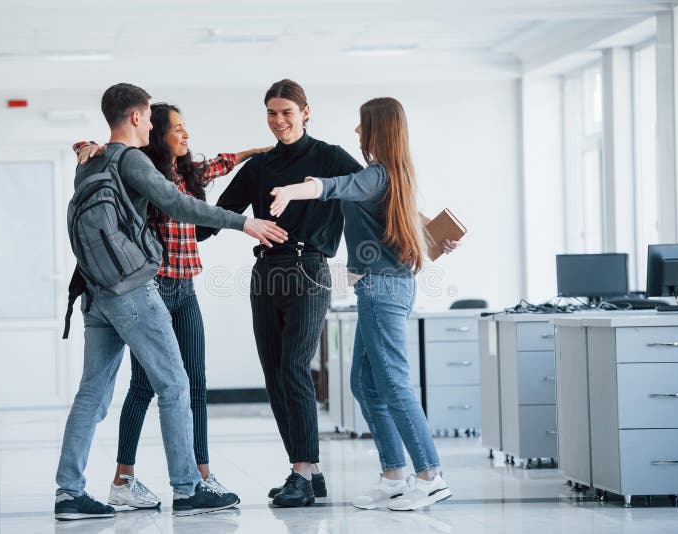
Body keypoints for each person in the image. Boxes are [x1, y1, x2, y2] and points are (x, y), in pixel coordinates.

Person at [54, 83, 288, 520]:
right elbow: (178, 204)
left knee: (92, 393)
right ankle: (187, 488)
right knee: (175, 383)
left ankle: (68, 492)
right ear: (139, 118)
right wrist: (244, 224)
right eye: (149, 118)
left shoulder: (91, 161)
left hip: (94, 290)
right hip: (132, 289)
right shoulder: (131, 159)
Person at [269, 96, 460, 511]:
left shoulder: (375, 175)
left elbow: (328, 187)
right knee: (365, 384)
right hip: (384, 287)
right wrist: (434, 230)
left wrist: (289, 190)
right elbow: (410, 211)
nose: (356, 132)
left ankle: (430, 475)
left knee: (392, 382)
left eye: (361, 125)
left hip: (382, 289)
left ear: (377, 130)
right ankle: (394, 476)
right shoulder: (390, 175)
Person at [197, 79, 363, 507]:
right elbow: (212, 219)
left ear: (306, 112)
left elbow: (374, 195)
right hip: (267, 273)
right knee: (275, 376)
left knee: (293, 366)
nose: (279, 121)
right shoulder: (259, 168)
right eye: (271, 113)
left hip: (309, 271)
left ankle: (301, 474)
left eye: (287, 112)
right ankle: (310, 469)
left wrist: (418, 235)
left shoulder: (331, 158)